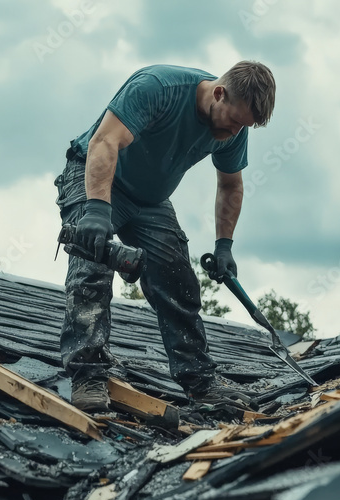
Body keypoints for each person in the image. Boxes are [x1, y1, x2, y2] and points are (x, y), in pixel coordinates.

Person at [54, 61, 276, 412]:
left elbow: (230, 184)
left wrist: (224, 245)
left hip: (151, 201)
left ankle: (200, 381)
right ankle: (87, 374)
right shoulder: (157, 88)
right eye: (234, 122)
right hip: (94, 176)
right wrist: (97, 209)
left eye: (243, 127)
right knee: (91, 265)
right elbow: (105, 140)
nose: (235, 132)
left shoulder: (235, 125)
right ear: (219, 93)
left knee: (177, 279)